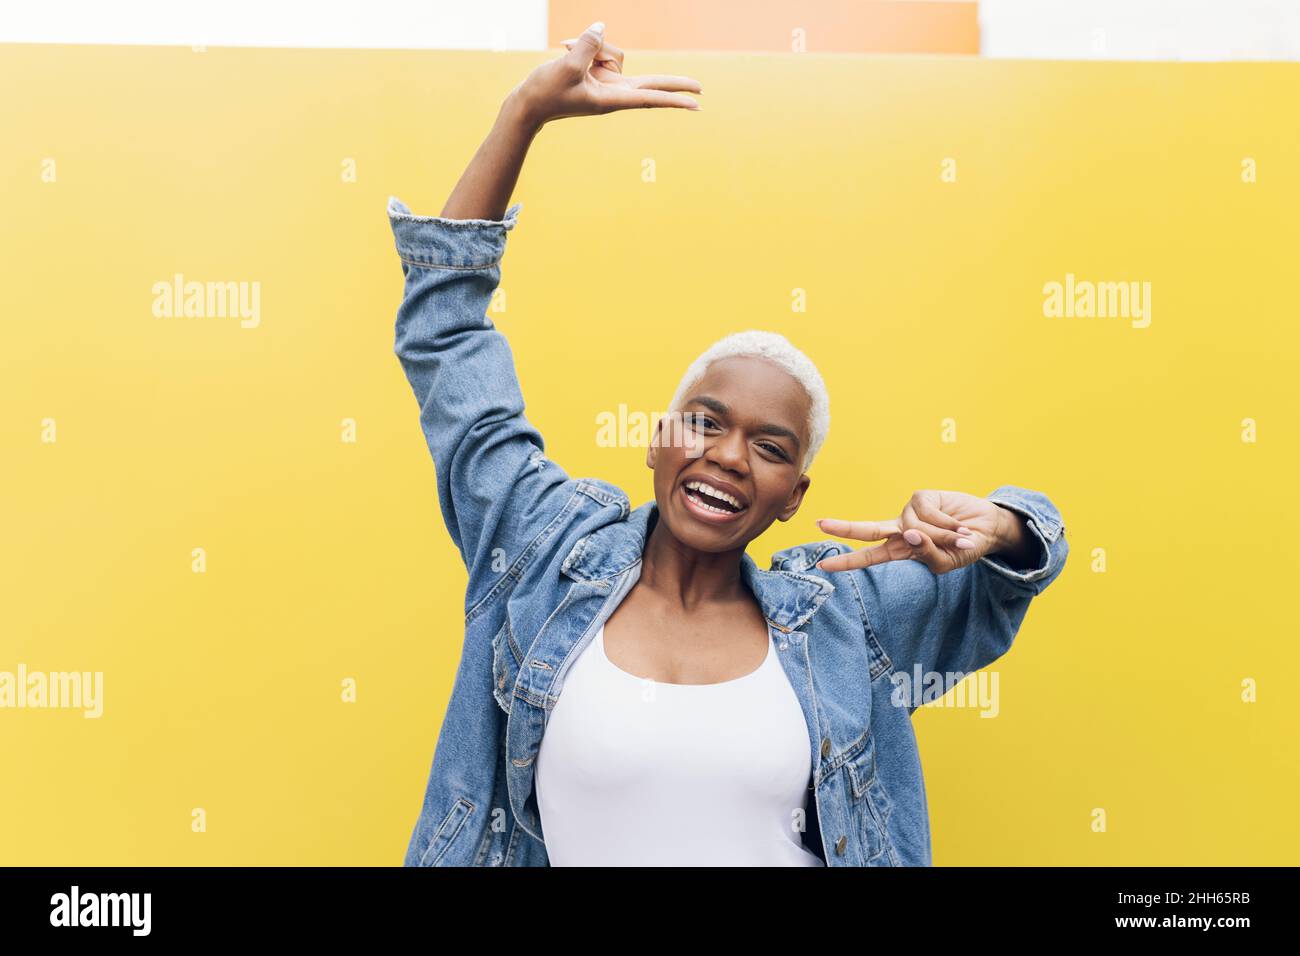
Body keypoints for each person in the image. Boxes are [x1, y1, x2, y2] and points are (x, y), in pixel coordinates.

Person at [387, 21, 1069, 867]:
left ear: (794, 498)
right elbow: (446, 335)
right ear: (658, 440)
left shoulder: (849, 616)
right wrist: (523, 113)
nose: (729, 456)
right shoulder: (540, 546)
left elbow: (1019, 570)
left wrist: (1000, 528)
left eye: (772, 448)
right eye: (706, 422)